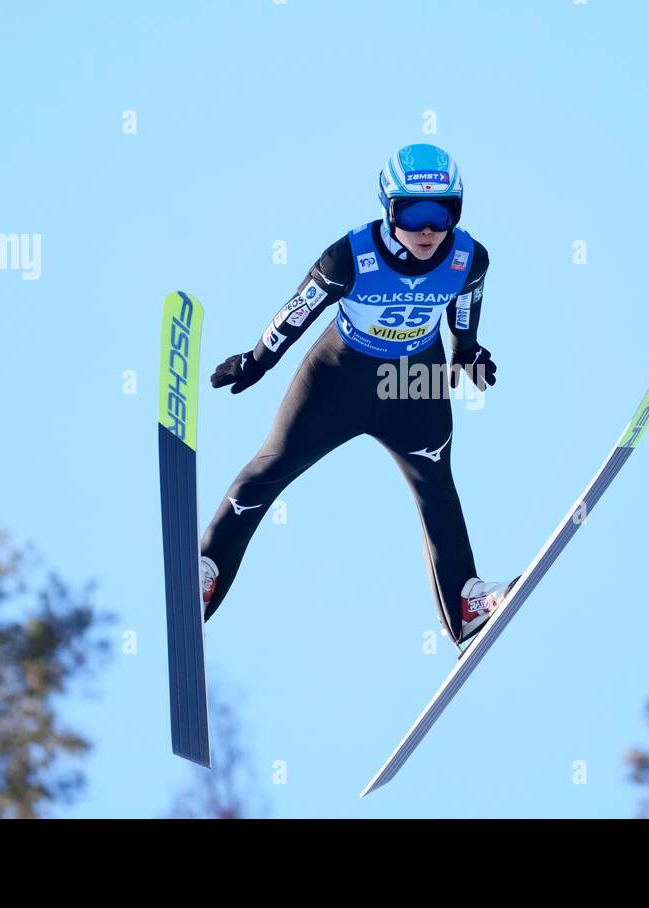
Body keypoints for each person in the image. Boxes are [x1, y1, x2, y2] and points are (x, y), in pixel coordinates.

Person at [198, 143, 516, 651]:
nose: (429, 230)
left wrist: (467, 352)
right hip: (338, 378)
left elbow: (465, 306)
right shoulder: (350, 256)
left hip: (413, 383)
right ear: (388, 210)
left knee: (437, 486)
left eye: (442, 213)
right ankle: (207, 570)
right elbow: (298, 310)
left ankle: (465, 605)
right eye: (413, 214)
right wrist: (258, 360)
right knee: (270, 467)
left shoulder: (467, 258)